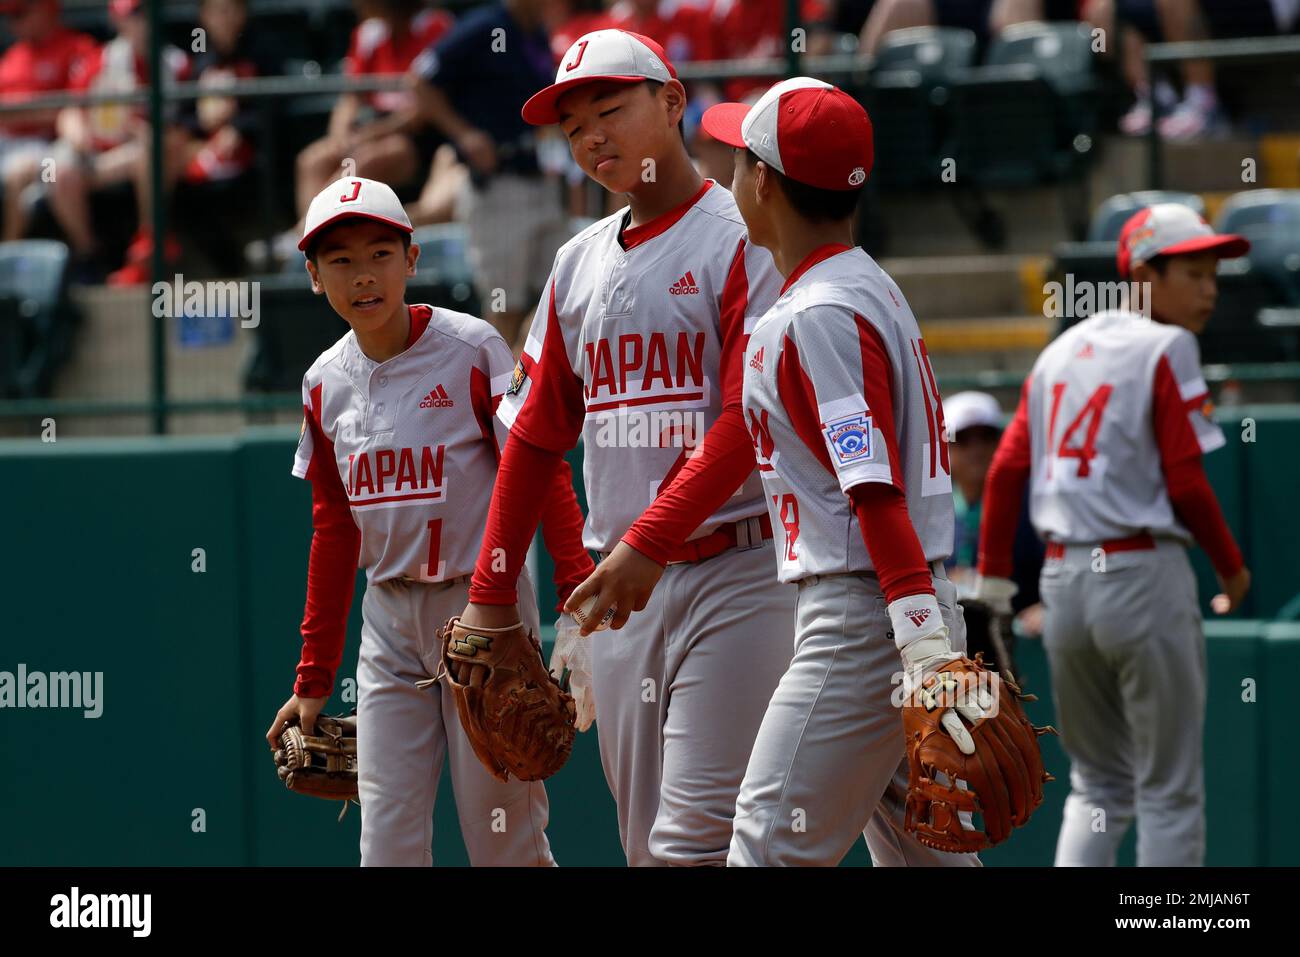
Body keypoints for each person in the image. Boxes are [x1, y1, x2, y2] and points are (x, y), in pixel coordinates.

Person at [456, 29, 796, 867]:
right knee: (647, 848)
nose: (592, 138)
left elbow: (747, 422)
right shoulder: (576, 263)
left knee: (695, 842)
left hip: (738, 569)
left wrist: (652, 538)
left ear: (673, 102)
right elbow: (534, 436)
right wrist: (492, 594)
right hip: (622, 593)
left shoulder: (740, 235)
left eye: (610, 109)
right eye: (573, 128)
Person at [264, 175, 592, 866]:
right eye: (342, 260)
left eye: (380, 253)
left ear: (412, 260)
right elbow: (334, 528)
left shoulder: (473, 349)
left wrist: (576, 594)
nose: (364, 275)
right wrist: (313, 675)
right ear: (314, 275)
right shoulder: (323, 382)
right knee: (385, 843)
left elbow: (543, 472)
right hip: (388, 623)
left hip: (483, 614)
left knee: (502, 835)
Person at [701, 76, 984, 866]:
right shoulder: (860, 284)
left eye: (737, 158)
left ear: (762, 180)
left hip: (868, 611)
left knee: (766, 845)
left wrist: (918, 640)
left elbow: (869, 483)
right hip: (897, 601)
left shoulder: (820, 309)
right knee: (928, 858)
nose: (731, 175)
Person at [976, 201, 1253, 866]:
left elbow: (1007, 469)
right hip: (1140, 575)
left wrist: (992, 585)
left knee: (1096, 785)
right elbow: (1186, 482)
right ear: (1144, 273)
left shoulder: (1060, 349)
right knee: (1169, 790)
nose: (1210, 288)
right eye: (1193, 272)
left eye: (1215, 274)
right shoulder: (1168, 345)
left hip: (1065, 583)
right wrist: (1232, 568)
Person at [412, 0, 568, 352]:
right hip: (498, 186)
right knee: (505, 307)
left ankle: (528, 396)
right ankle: (495, 400)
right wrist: (464, 134)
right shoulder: (484, 26)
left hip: (541, 178)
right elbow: (420, 79)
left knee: (556, 301)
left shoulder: (537, 32)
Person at [107, 0, 283, 284]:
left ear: (243, 14)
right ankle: (153, 238)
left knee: (163, 155)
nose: (224, 19)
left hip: (245, 151)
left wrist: (238, 127)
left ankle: (151, 243)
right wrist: (201, 121)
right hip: (202, 149)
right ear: (204, 17)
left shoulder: (262, 49)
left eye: (231, 10)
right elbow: (186, 115)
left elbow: (276, 107)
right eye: (217, 12)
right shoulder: (202, 55)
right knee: (156, 147)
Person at [40, 0, 188, 282]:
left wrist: (139, 129)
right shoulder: (101, 59)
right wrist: (76, 133)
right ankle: (88, 255)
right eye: (130, 16)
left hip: (142, 154)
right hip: (97, 156)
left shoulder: (175, 63)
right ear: (117, 21)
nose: (138, 22)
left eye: (143, 13)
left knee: (152, 148)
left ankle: (151, 243)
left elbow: (182, 129)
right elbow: (71, 109)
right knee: (55, 168)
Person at [291, 0, 452, 242]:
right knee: (312, 161)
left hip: (419, 136)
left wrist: (373, 133)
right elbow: (350, 98)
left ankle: (304, 235)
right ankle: (313, 242)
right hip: (371, 128)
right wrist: (340, 134)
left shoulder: (436, 27)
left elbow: (426, 108)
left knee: (363, 162)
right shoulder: (369, 33)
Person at [0, 0, 96, 245]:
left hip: (52, 148)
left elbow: (76, 109)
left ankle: (7, 256)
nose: (12, 23)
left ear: (47, 9)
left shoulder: (77, 48)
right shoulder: (14, 56)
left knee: (20, 175)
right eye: (9, 16)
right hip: (8, 142)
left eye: (19, 14)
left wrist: (27, 113)